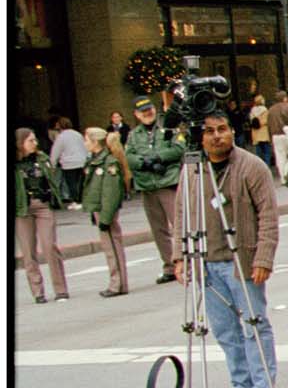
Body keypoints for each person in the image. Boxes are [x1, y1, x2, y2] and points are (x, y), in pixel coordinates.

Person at [178, 109, 283, 388]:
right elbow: (181, 216)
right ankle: (243, 385)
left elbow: (268, 216)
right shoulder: (192, 171)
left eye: (222, 129)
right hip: (208, 263)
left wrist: (264, 257)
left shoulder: (252, 166)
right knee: (225, 331)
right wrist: (179, 258)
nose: (217, 135)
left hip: (243, 261)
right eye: (209, 131)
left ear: (232, 132)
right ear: (201, 137)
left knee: (254, 326)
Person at [125, 96, 185, 284]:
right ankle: (169, 266)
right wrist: (146, 163)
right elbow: (129, 157)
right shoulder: (134, 135)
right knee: (158, 229)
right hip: (147, 185)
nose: (147, 114)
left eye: (149, 110)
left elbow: (179, 148)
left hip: (167, 182)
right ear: (136, 114)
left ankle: (186, 262)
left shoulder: (167, 127)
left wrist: (159, 158)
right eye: (143, 112)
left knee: (179, 225)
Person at [14, 128, 69, 302]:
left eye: (35, 139)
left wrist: (52, 195)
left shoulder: (41, 159)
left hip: (43, 206)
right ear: (20, 143)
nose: (35, 143)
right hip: (22, 208)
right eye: (31, 140)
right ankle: (37, 291)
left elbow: (53, 180)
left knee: (49, 246)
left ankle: (60, 289)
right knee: (28, 251)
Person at [80, 127, 132, 297]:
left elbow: (111, 193)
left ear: (95, 142)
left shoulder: (108, 162)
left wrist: (106, 218)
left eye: (86, 140)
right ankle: (117, 283)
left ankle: (118, 284)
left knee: (113, 248)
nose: (84, 143)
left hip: (105, 212)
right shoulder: (95, 161)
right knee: (109, 248)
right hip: (99, 210)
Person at [48, 115, 86, 206]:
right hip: (81, 161)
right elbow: (84, 146)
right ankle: (80, 199)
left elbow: (55, 151)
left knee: (71, 183)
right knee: (79, 182)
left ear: (60, 125)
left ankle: (75, 201)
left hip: (68, 163)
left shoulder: (61, 137)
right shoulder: (78, 134)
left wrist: (52, 164)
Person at [248, 96, 274, 170]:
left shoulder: (252, 111)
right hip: (264, 133)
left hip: (255, 134)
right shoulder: (265, 110)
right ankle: (267, 167)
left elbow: (251, 122)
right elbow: (266, 121)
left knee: (258, 153)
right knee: (267, 152)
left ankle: (260, 168)